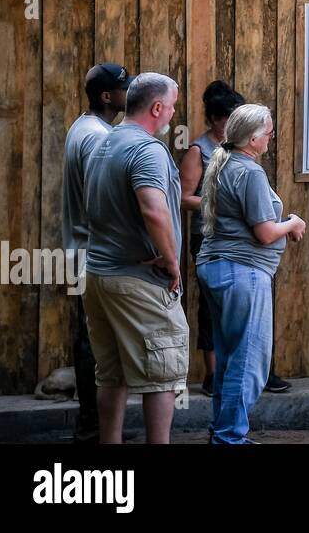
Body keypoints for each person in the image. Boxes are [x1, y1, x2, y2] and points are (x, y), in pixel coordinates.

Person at [83, 73, 187, 444]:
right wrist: (171, 260)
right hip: (138, 279)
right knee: (163, 373)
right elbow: (154, 210)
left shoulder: (103, 142)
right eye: (173, 106)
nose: (174, 114)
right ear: (157, 108)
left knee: (111, 374)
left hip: (98, 276)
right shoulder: (147, 149)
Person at [196, 104, 305, 444]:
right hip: (243, 272)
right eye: (269, 133)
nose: (271, 138)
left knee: (229, 358)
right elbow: (264, 233)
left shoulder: (223, 162)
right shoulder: (250, 172)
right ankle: (230, 437)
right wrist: (292, 223)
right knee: (249, 361)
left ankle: (224, 431)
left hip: (216, 267)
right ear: (253, 138)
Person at [62, 62, 131, 443]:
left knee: (92, 339)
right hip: (95, 252)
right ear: (108, 97)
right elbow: (103, 201)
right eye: (124, 88)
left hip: (83, 251)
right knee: (97, 343)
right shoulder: (96, 138)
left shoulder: (85, 128)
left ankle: (95, 424)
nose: (130, 93)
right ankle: (93, 426)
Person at [179, 80, 244, 397]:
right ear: (217, 118)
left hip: (238, 238)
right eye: (230, 117)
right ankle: (211, 373)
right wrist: (216, 203)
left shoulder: (239, 147)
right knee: (210, 306)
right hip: (208, 238)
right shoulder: (198, 150)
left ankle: (241, 369)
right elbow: (182, 198)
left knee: (238, 304)